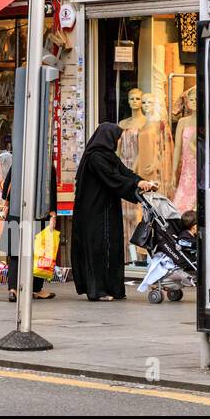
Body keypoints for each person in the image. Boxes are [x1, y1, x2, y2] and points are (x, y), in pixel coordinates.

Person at [72, 122, 159, 302]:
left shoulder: (108, 156)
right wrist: (136, 185)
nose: (118, 142)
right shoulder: (95, 157)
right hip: (94, 212)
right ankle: (98, 290)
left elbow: (124, 172)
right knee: (97, 249)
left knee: (112, 246)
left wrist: (142, 181)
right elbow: (112, 177)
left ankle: (113, 288)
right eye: (117, 138)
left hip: (107, 209)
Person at [2, 163, 58, 301]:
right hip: (38, 211)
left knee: (15, 252)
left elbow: (7, 186)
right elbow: (50, 190)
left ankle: (13, 289)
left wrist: (7, 204)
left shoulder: (19, 159)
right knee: (39, 251)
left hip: (16, 209)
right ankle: (36, 289)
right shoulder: (45, 162)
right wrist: (53, 213)